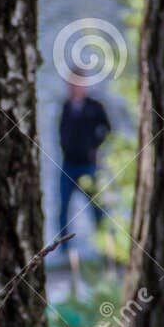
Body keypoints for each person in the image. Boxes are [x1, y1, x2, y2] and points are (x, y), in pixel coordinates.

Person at [57, 74, 111, 250]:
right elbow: (62, 131)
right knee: (64, 208)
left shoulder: (94, 107)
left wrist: (95, 147)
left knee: (97, 207)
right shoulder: (66, 106)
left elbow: (106, 129)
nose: (75, 88)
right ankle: (63, 249)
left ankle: (105, 246)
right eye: (71, 84)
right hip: (68, 164)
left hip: (89, 164)